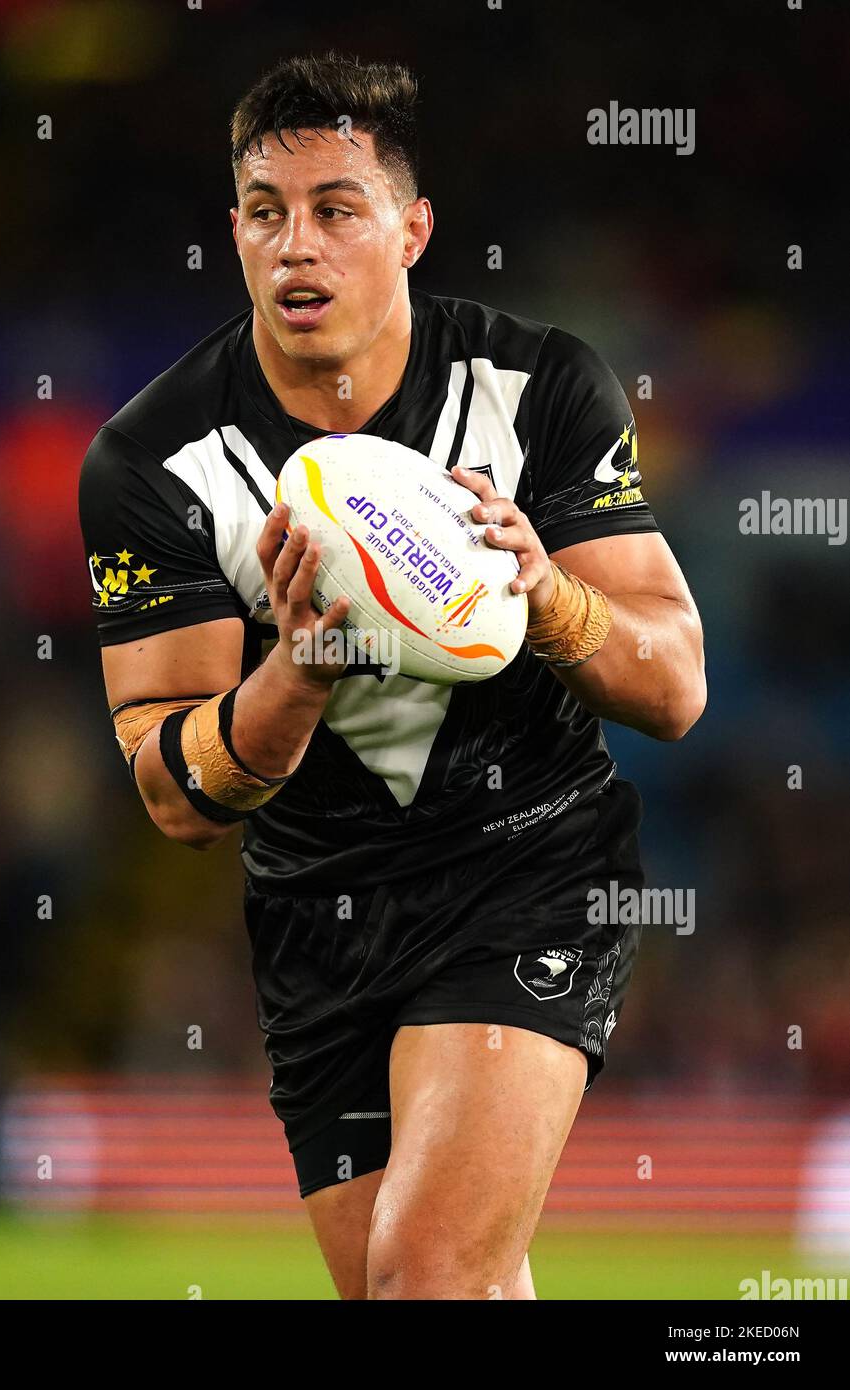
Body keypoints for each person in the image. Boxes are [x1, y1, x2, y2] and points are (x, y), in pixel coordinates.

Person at [78, 51, 706, 1300]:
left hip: (528, 865)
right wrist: (299, 673)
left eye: (335, 209)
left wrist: (545, 594)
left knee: (428, 1280)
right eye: (265, 212)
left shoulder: (537, 390)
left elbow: (675, 684)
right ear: (235, 231)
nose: (295, 246)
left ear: (411, 230)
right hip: (317, 908)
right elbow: (169, 790)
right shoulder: (153, 461)